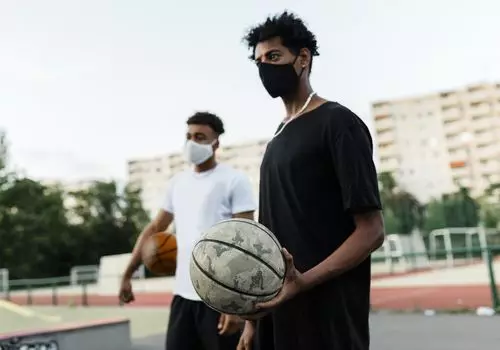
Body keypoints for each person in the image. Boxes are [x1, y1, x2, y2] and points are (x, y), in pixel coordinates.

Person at [237, 11, 385, 350]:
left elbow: (372, 230)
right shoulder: (277, 137)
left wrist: (303, 282)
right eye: (259, 61)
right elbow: (270, 231)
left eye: (274, 56)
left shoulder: (338, 123)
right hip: (278, 311)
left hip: (326, 318)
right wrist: (252, 318)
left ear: (303, 58)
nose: (265, 68)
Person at [119, 112, 257, 350]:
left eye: (200, 136)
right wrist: (128, 273)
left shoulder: (234, 180)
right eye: (189, 136)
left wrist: (237, 302)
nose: (192, 142)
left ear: (216, 143)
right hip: (183, 297)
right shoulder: (177, 182)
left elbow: (245, 241)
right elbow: (154, 229)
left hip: (220, 298)